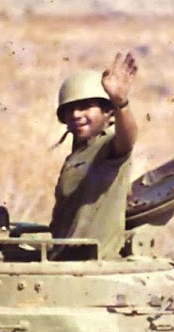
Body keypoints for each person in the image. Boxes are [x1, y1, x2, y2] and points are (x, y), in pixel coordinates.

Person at [48, 51, 138, 259]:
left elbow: (128, 139)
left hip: (91, 265)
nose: (76, 115)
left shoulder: (108, 145)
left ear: (108, 112)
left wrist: (121, 103)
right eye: (69, 109)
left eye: (86, 107)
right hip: (63, 260)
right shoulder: (77, 154)